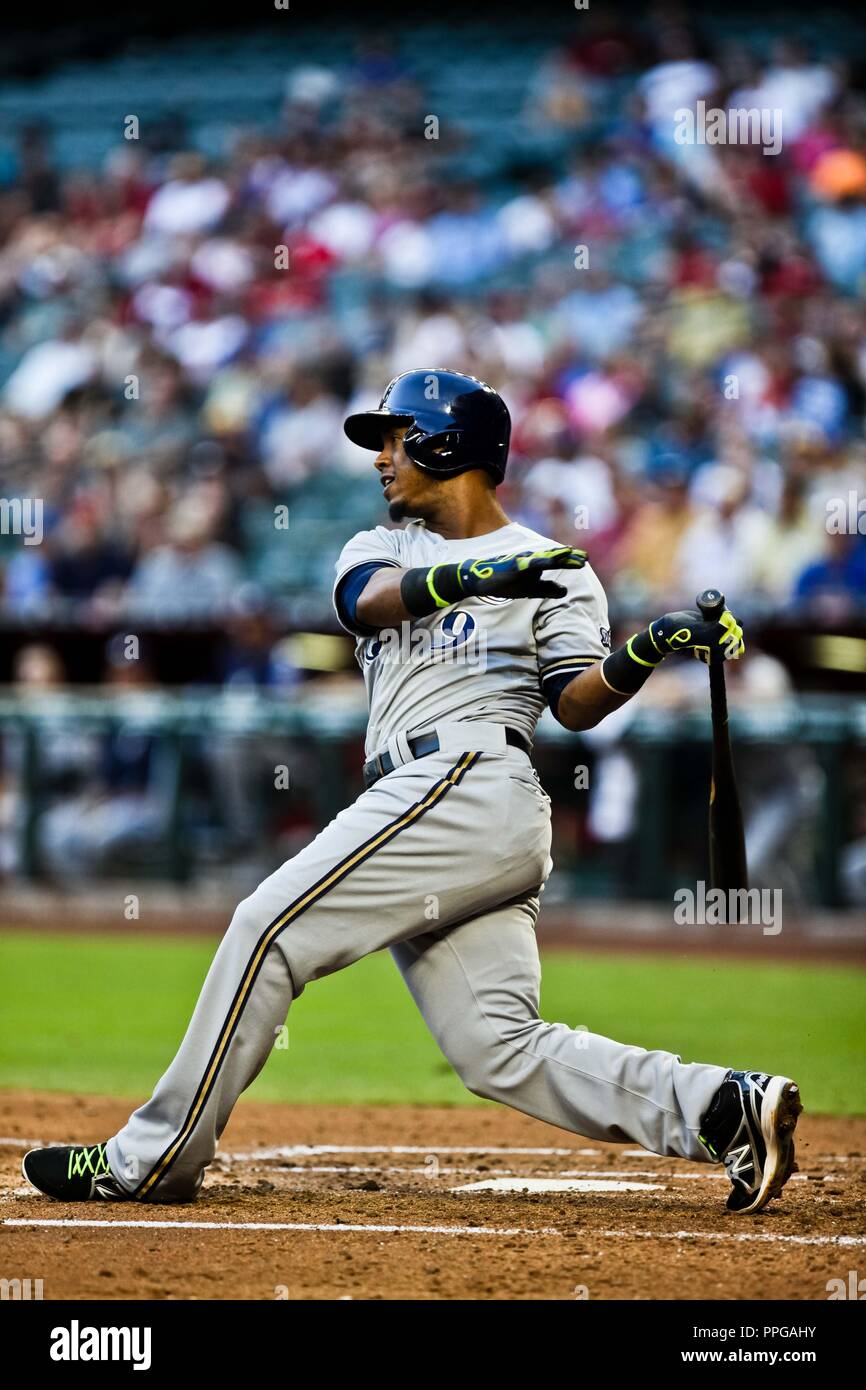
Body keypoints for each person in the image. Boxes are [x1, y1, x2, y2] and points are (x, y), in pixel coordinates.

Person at [22, 369, 801, 1215]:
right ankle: (723, 1107)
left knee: (266, 928)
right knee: (496, 1048)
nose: (383, 459)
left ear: (447, 444)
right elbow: (366, 605)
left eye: (397, 438)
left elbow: (575, 702)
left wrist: (650, 644)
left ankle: (154, 1157)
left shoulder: (560, 571)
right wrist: (477, 580)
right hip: (439, 802)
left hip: (471, 780)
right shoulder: (384, 546)